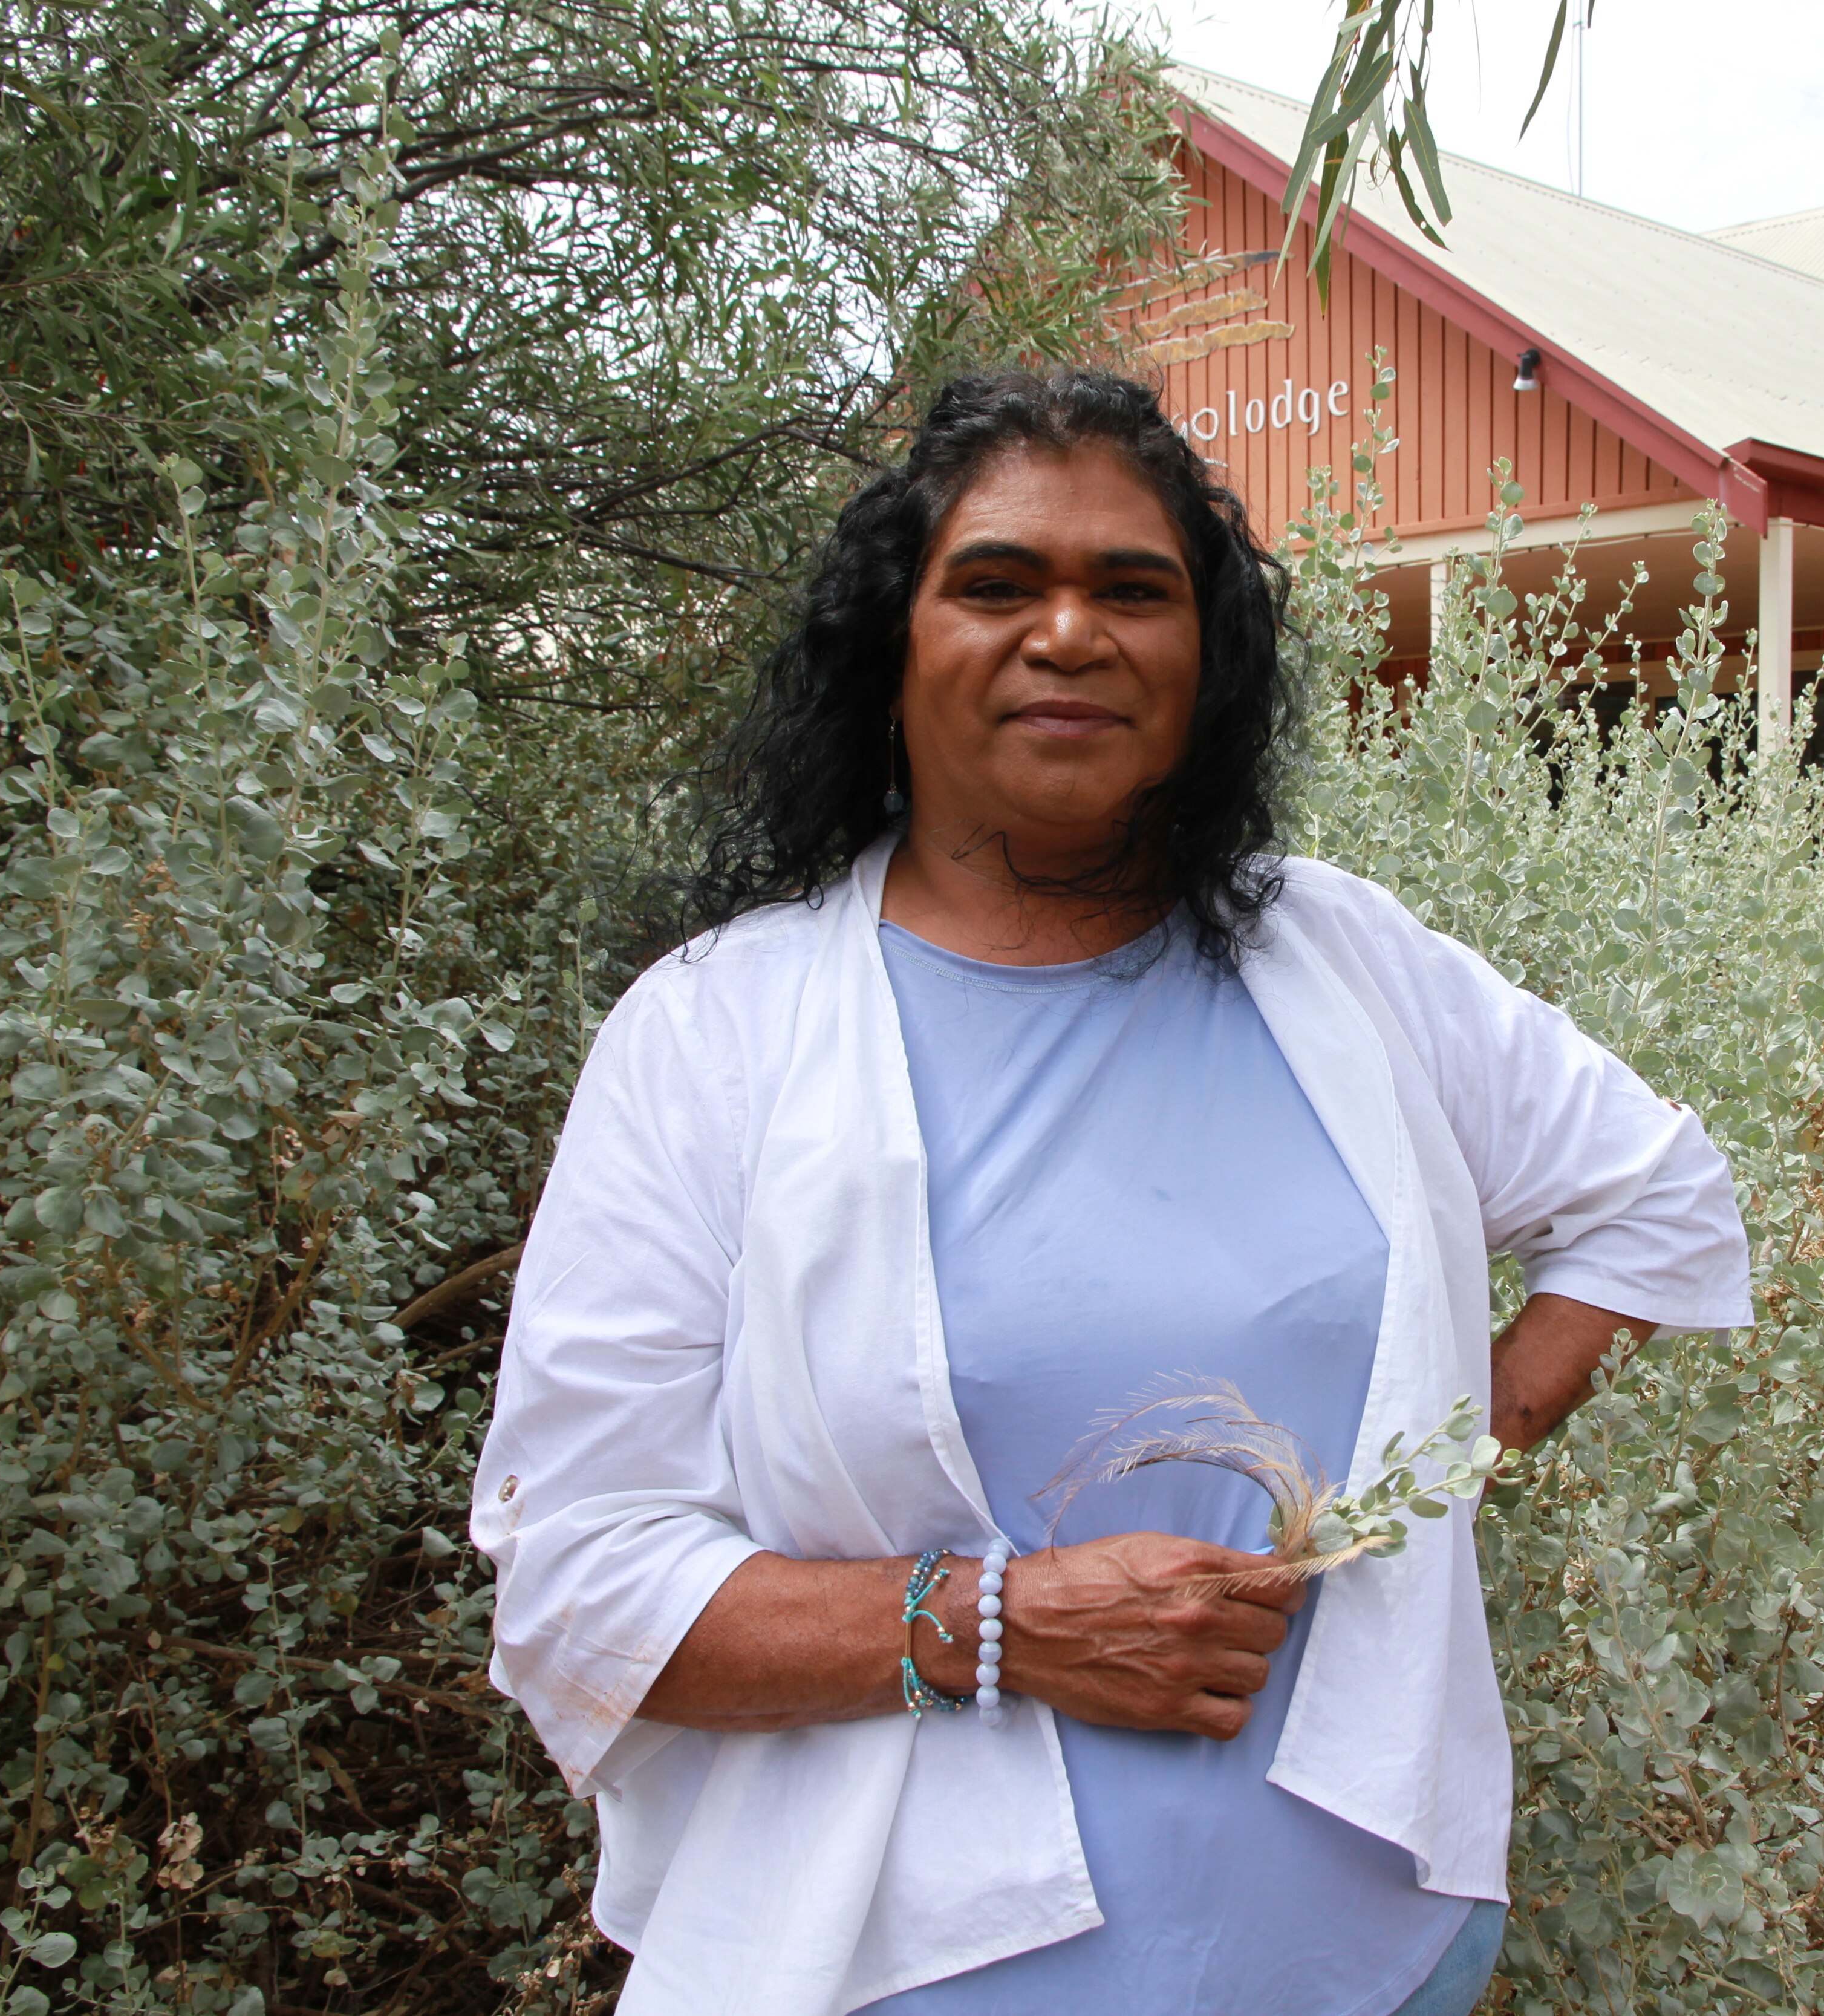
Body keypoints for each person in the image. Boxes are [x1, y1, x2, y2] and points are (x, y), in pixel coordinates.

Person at [471, 369, 1752, 2016]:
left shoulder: (1342, 960)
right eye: (997, 584)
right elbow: (582, 1588)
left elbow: (1657, 1200)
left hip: (1379, 1952)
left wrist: (1430, 1469)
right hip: (895, 1976)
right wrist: (1006, 1626)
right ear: (893, 650)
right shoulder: (715, 1035)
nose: (1069, 634)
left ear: (1204, 663)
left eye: (1134, 591)